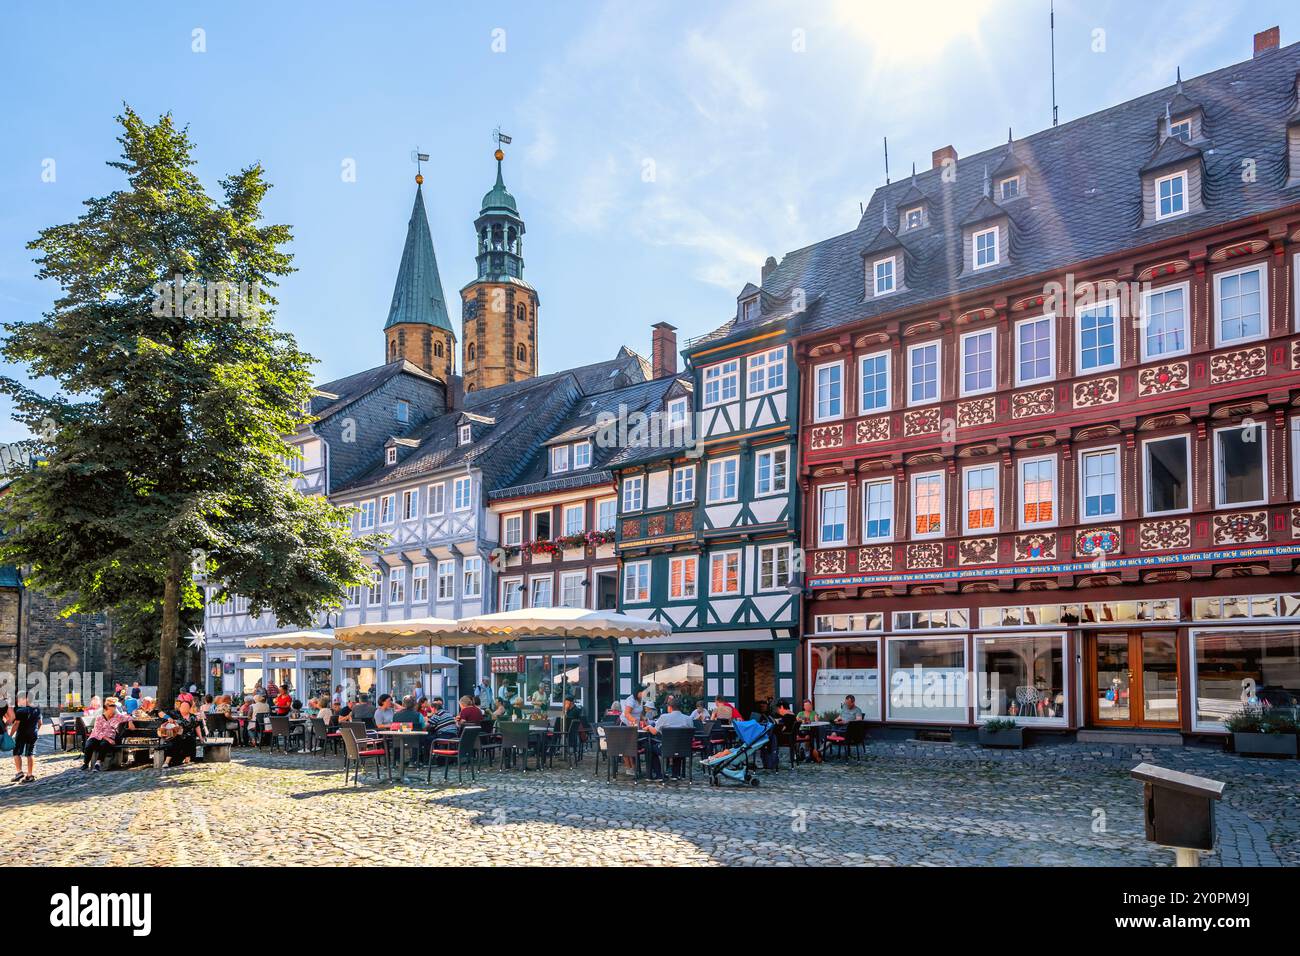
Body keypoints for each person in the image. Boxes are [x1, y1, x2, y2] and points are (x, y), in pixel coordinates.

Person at [643, 700, 695, 779]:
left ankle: (658, 774)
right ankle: (675, 774)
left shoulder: (664, 717)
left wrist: (649, 727)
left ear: (670, 708)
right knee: (678, 745)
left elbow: (654, 732)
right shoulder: (688, 719)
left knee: (649, 747)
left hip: (666, 749)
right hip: (684, 749)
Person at [82, 697, 132, 771]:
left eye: (114, 707)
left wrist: (130, 722)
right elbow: (97, 731)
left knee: (104, 744)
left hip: (109, 736)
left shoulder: (117, 716)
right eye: (112, 707)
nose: (114, 709)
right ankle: (86, 763)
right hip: (97, 736)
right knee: (89, 744)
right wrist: (107, 738)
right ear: (106, 708)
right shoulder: (99, 718)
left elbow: (128, 717)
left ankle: (98, 763)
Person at [161, 697, 205, 766]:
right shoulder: (175, 714)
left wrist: (201, 738)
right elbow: (160, 713)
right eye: (183, 706)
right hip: (177, 736)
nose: (184, 708)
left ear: (189, 708)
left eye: (186, 706)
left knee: (189, 739)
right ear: (180, 707)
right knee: (174, 742)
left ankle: (187, 760)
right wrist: (168, 717)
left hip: (189, 737)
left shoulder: (193, 717)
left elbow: (197, 727)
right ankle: (167, 762)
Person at [8, 694, 42, 782]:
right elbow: (40, 723)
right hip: (33, 734)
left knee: (16, 752)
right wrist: (35, 730)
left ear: (26, 699)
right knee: (30, 754)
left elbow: (16, 724)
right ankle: (30, 775)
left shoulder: (20, 710)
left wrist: (10, 735)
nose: (18, 701)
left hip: (22, 734)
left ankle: (19, 772)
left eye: (19, 699)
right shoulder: (37, 709)